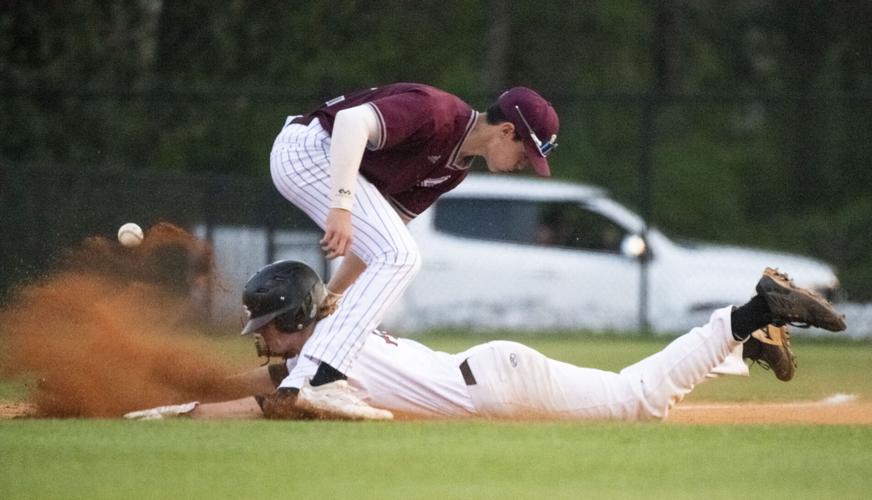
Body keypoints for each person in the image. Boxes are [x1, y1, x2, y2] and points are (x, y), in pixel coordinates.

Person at [125, 261, 846, 422]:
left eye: (272, 324)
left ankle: (750, 314)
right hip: (492, 374)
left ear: (301, 315)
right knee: (631, 393)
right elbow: (270, 393)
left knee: (638, 402)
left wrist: (171, 414)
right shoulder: (326, 344)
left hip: (498, 381)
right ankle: (740, 340)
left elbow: (269, 405)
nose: (267, 341)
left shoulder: (320, 357)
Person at [262, 83, 560, 419]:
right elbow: (350, 122)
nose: (524, 164)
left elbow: (381, 244)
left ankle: (302, 382)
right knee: (404, 256)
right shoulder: (437, 113)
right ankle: (322, 379)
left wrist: (333, 293)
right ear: (506, 131)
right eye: (526, 154)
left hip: (322, 158)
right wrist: (342, 205)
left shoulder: (454, 170)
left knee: (397, 253)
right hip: (307, 149)